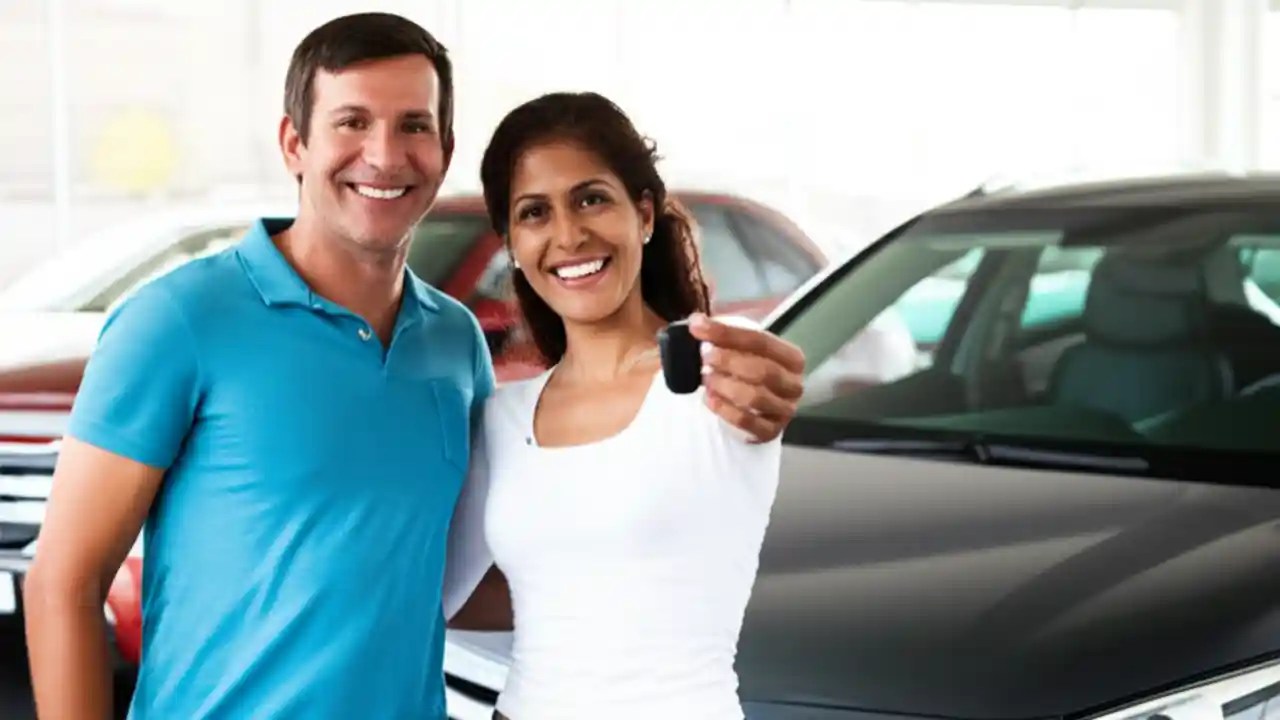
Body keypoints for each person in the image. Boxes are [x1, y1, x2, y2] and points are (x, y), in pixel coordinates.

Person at [22, 12, 805, 720]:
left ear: (444, 152)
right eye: (352, 122)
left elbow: (459, 566)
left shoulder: (455, 345)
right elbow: (62, 583)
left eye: (412, 126)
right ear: (295, 143)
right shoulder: (181, 321)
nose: (384, 155)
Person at [441, 91, 800, 720]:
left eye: (590, 198)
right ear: (513, 245)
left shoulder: (716, 379)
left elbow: (771, 387)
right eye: (535, 213)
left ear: (644, 215)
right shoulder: (502, 416)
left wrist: (776, 386)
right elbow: (445, 594)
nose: (569, 234)